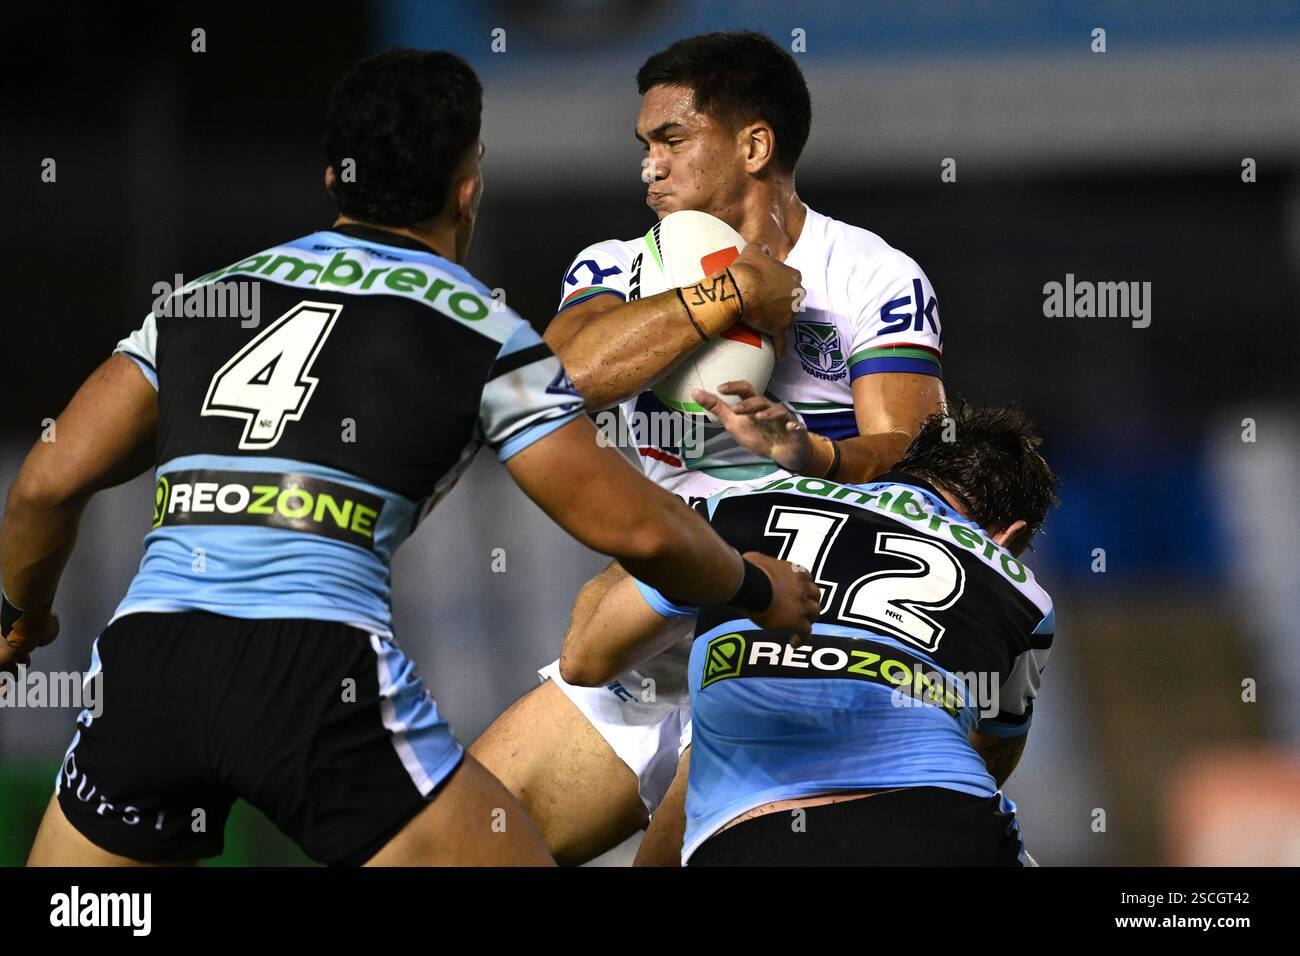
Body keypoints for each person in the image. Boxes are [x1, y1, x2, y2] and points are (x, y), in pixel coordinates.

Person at [0, 48, 818, 868]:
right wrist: (754, 586)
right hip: (314, 674)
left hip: (151, 667)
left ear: (333, 179)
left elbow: (44, 485)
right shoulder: (481, 330)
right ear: (468, 189)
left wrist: (22, 613)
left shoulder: (203, 301)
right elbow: (636, 529)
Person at [473, 30, 947, 864]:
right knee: (457, 848)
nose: (650, 168)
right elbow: (555, 381)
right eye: (645, 146)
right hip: (660, 618)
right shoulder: (618, 266)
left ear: (756, 145)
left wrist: (815, 458)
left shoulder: (871, 276)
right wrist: (725, 294)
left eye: (673, 140)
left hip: (795, 638)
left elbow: (915, 464)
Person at [561, 401, 1060, 865]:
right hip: (943, 828)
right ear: (1008, 535)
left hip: (751, 840)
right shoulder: (1024, 595)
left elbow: (585, 659)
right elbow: (992, 753)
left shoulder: (737, 506)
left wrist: (661, 543)